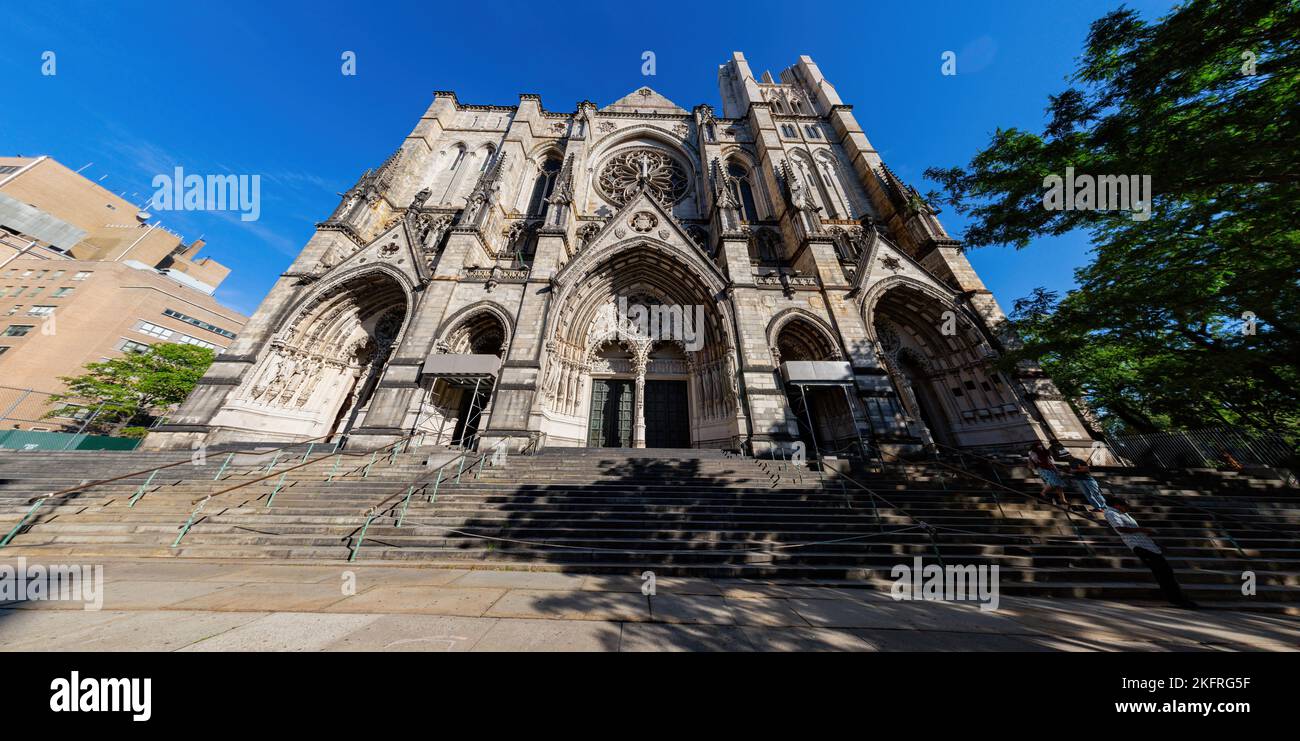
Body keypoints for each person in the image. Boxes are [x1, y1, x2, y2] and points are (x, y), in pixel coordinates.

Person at [1103, 497, 1198, 609]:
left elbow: (1128, 528)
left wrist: (1144, 533)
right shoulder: (1111, 513)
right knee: (1163, 572)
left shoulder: (1122, 513)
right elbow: (1121, 529)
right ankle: (1178, 599)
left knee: (1165, 572)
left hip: (1147, 545)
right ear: (1117, 505)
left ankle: (1178, 598)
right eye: (1126, 505)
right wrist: (1143, 530)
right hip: (1140, 546)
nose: (1128, 507)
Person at [1026, 442, 1067, 506]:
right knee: (1053, 482)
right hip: (1043, 469)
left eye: (1041, 446)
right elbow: (1036, 461)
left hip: (1050, 469)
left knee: (1058, 484)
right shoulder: (1033, 453)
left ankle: (1063, 499)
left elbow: (1049, 461)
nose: (1040, 447)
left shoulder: (1044, 452)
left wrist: (1055, 469)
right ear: (1035, 447)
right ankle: (1043, 493)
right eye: (1039, 446)